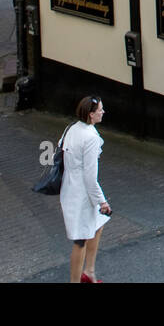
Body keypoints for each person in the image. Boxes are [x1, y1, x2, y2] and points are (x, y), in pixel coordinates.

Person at [60, 96, 113, 283]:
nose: (103, 112)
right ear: (91, 114)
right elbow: (90, 177)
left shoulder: (72, 128)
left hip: (70, 188)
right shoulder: (91, 138)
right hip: (81, 195)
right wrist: (102, 201)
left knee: (98, 223)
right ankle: (77, 280)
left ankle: (89, 272)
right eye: (100, 109)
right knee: (80, 240)